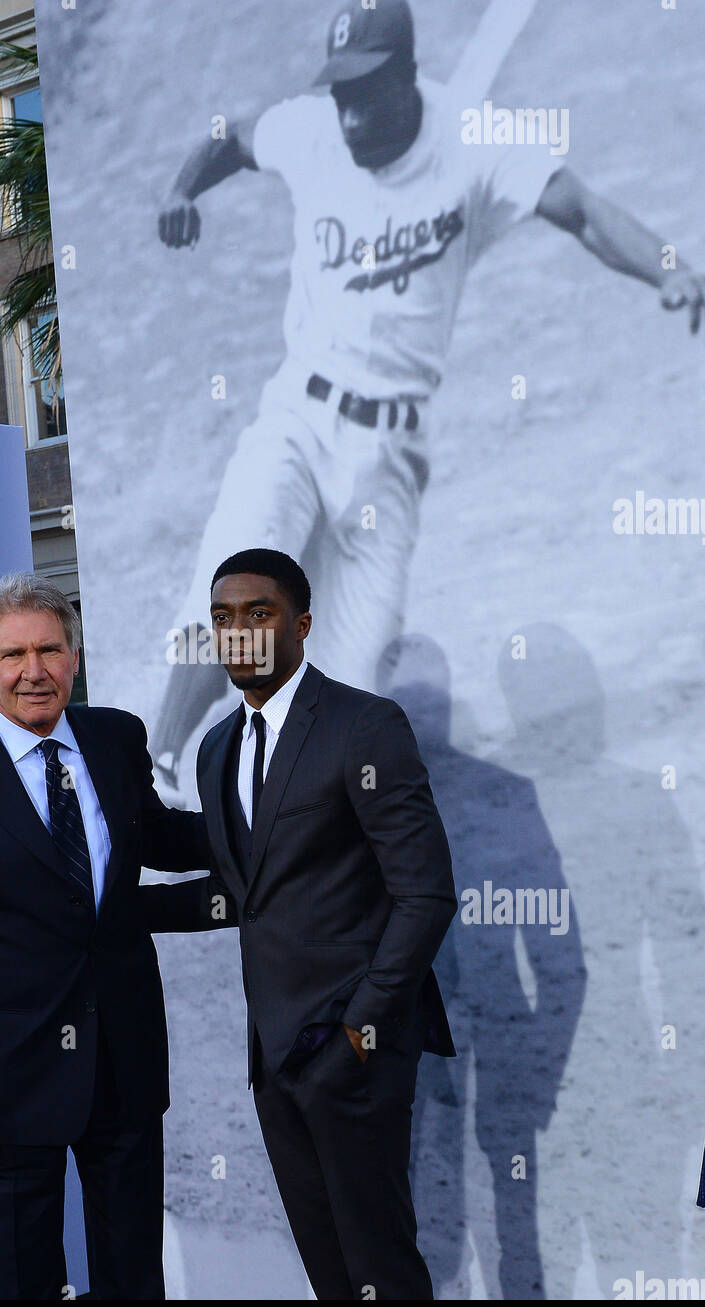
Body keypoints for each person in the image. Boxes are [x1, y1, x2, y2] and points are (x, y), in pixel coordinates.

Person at [152, 0, 705, 794]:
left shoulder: (473, 141)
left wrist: (667, 265)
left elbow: (579, 209)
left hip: (391, 458)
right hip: (298, 420)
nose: (347, 115)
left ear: (406, 79)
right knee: (245, 572)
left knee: (349, 686)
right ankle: (156, 765)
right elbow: (228, 138)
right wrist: (180, 191)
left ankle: (278, 832)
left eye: (363, 94)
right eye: (337, 94)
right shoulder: (311, 127)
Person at [0, 572, 208, 1300]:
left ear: (75, 654)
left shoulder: (116, 737)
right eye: (12, 655)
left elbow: (155, 837)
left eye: (51, 650)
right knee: (29, 1280)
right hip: (4, 1083)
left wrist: (267, 822)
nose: (34, 672)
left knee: (133, 1276)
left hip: (123, 1063)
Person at [194, 547, 456, 1299]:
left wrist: (360, 1030)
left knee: (380, 1268)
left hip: (352, 1051)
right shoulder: (218, 747)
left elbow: (425, 894)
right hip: (273, 1058)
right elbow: (243, 889)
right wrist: (103, 911)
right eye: (221, 617)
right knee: (330, 1273)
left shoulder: (363, 726)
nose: (237, 631)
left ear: (301, 624)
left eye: (257, 612)